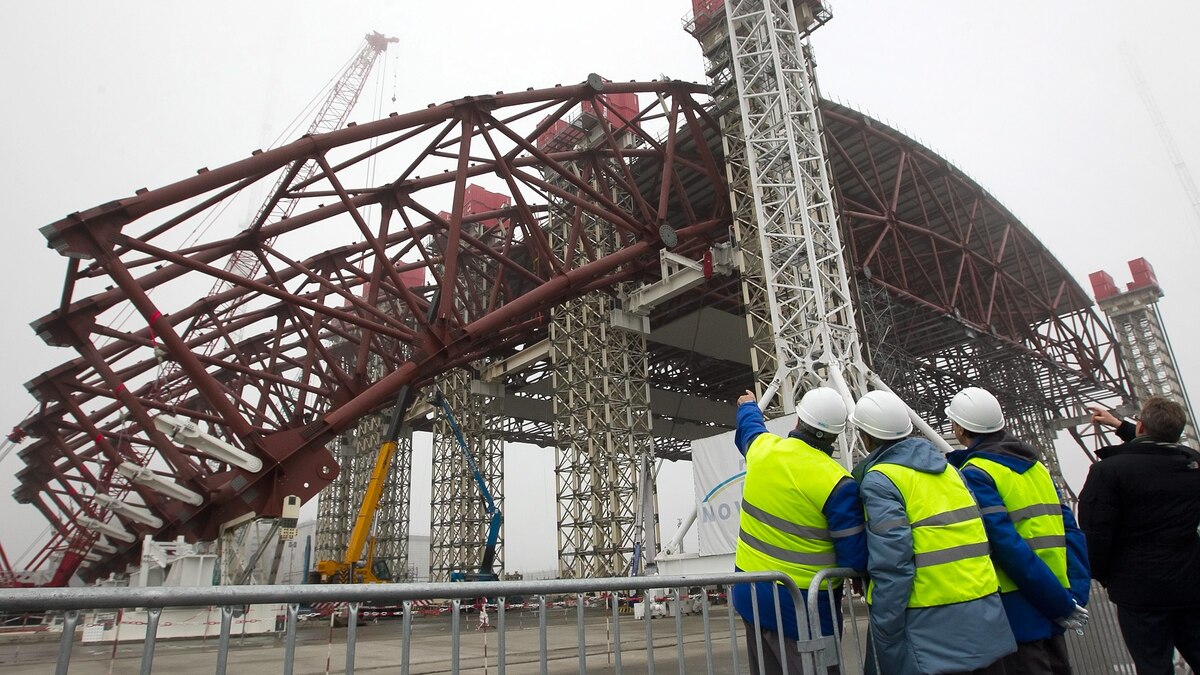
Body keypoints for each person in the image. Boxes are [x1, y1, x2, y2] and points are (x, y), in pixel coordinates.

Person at [850, 390, 1015, 675]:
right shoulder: (951, 471)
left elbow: (893, 565)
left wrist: (885, 626)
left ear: (865, 436)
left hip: (929, 620)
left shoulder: (881, 480)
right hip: (984, 610)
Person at [944, 386, 1090, 675]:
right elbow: (1071, 531)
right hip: (1056, 597)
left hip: (1016, 603)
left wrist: (1059, 601)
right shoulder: (1037, 468)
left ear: (960, 428)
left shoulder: (977, 473)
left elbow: (1007, 546)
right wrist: (1073, 595)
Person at [733, 387, 868, 675]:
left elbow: (750, 428)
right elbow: (854, 559)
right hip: (806, 615)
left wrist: (749, 406)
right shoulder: (838, 483)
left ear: (798, 420)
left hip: (752, 599)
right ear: (835, 435)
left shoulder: (764, 451)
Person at [1080, 397, 1200, 674]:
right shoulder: (1192, 464)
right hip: (1191, 584)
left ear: (1141, 426)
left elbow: (1096, 534)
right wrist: (1120, 425)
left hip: (1139, 591)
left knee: (1153, 666)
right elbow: (1162, 445)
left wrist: (1105, 575)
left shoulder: (1107, 472)